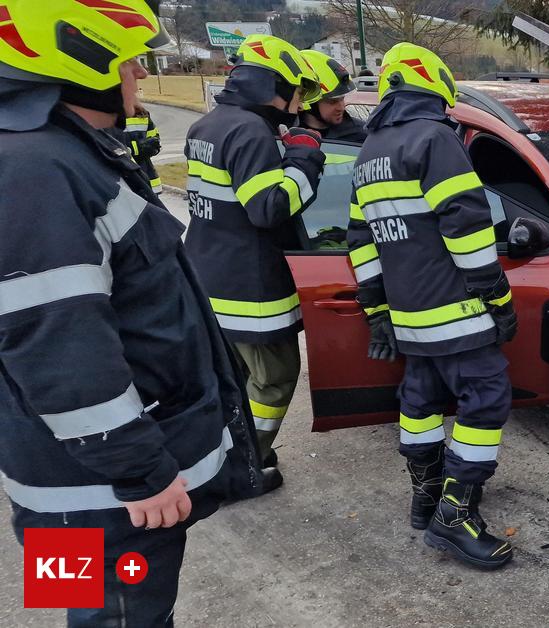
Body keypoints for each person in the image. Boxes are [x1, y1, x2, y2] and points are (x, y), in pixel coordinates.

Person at [0, 2, 262, 624]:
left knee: (95, 613)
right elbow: (56, 344)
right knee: (117, 619)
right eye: (128, 60)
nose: (140, 73)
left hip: (77, 489)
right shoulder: (35, 170)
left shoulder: (54, 155)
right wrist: (140, 471)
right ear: (81, 58)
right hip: (101, 501)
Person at [348, 42, 519, 570]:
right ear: (434, 85)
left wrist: (377, 311)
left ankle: (425, 498)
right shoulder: (435, 138)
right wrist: (497, 295)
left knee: (419, 401)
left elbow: (360, 241)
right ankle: (455, 514)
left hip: (408, 316)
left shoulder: (368, 152)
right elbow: (466, 226)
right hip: (456, 310)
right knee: (486, 399)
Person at [183, 34, 326, 484]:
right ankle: (246, 466)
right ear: (272, 85)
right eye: (297, 90)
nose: (300, 101)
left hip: (210, 276)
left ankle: (227, 455)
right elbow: (269, 209)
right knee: (275, 378)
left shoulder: (208, 126)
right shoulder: (250, 131)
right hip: (251, 287)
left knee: (234, 378)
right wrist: (305, 160)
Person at [298, 49, 366, 143]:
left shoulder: (360, 134)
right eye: (333, 101)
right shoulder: (286, 135)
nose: (341, 107)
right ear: (310, 101)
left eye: (342, 99)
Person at [123, 105, 163, 192]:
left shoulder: (142, 114)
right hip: (124, 177)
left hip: (147, 175)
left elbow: (156, 141)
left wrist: (150, 147)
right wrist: (138, 149)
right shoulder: (107, 116)